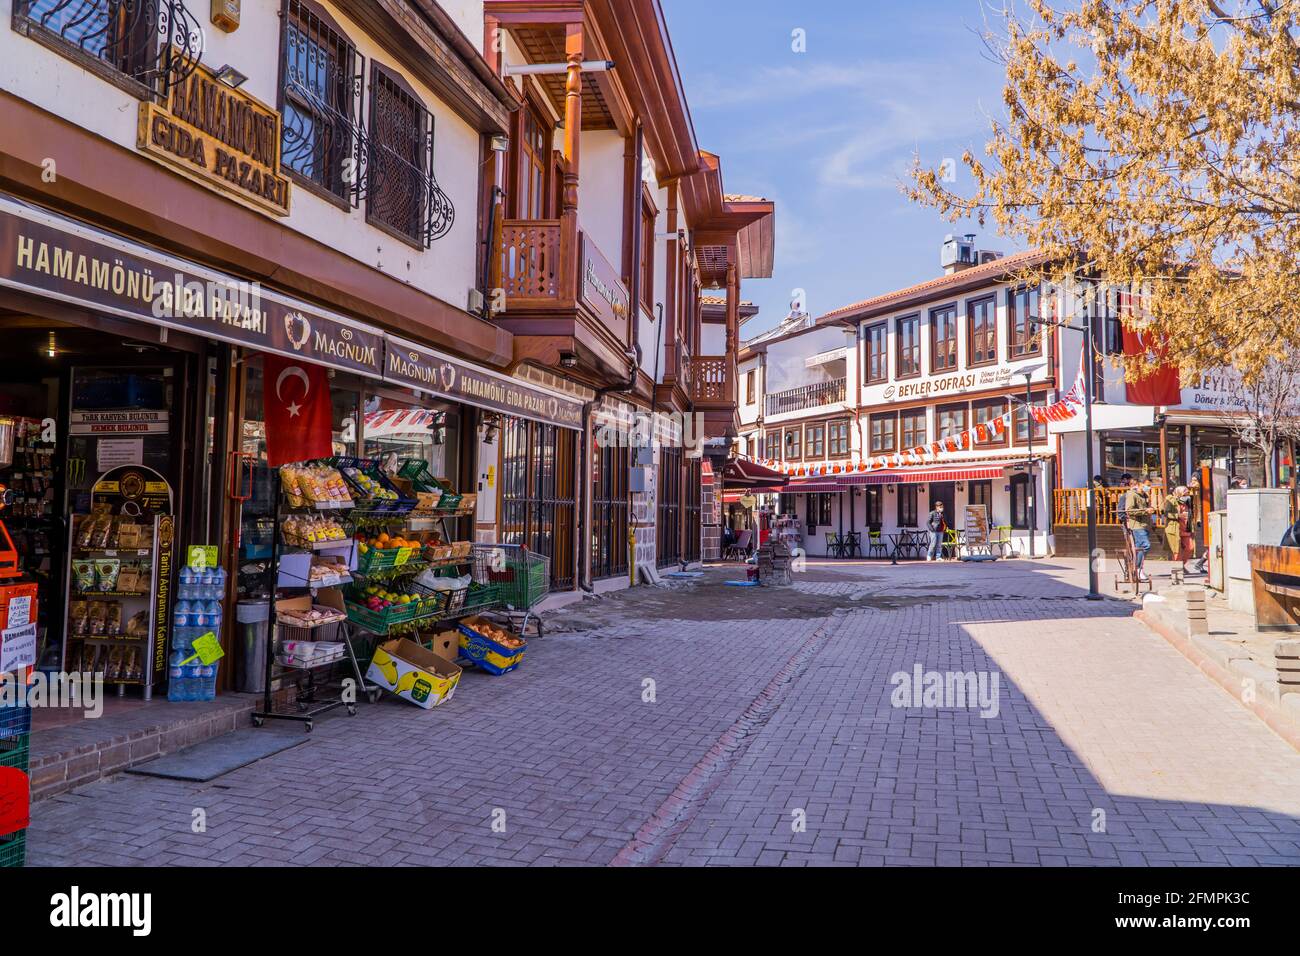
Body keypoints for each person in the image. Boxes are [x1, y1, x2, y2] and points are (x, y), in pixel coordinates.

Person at [1123, 477, 1155, 582]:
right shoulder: (1132, 494)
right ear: (1140, 484)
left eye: (1150, 485)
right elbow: (1129, 510)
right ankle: (1137, 568)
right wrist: (1145, 511)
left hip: (1145, 524)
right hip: (1137, 525)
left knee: (1138, 548)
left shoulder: (1144, 495)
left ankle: (1137, 568)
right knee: (1146, 545)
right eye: (1147, 485)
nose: (1148, 487)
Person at [1163, 485, 1196, 573]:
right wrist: (1178, 516)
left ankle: (1181, 565)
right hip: (1175, 528)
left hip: (1185, 528)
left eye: (1187, 494)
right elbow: (1166, 514)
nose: (1186, 496)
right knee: (1176, 551)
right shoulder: (1171, 500)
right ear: (1179, 493)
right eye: (1184, 494)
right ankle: (1177, 570)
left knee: (1190, 548)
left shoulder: (1187, 502)